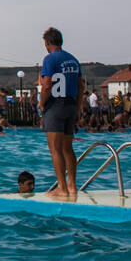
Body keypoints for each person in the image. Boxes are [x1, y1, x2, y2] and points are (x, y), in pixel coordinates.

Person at [38, 26, 84, 199]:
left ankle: (62, 188)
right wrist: (78, 107)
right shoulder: (73, 59)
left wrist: (42, 104)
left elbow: (47, 84)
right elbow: (81, 85)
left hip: (55, 105)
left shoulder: (50, 59)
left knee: (55, 149)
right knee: (68, 148)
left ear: (48, 43)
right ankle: (72, 185)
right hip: (71, 104)